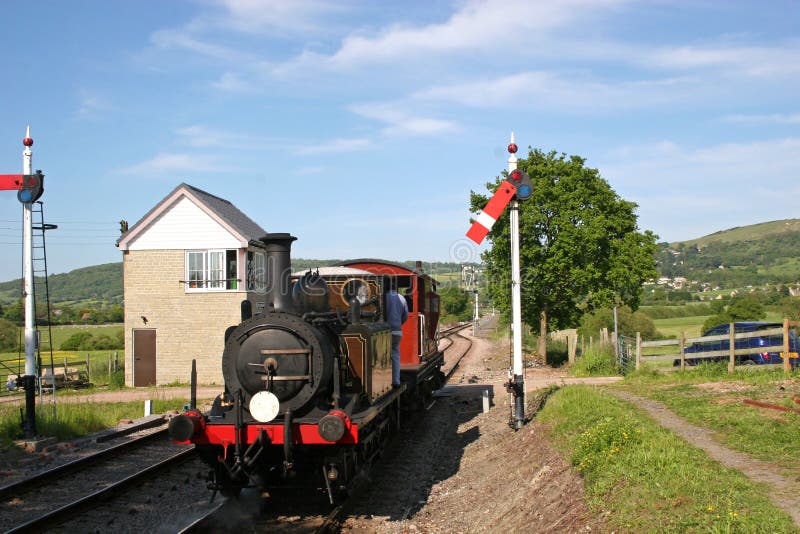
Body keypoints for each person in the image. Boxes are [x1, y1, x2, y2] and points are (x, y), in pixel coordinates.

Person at [384, 276, 408, 387]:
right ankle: (396, 381)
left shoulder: (382, 297)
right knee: (395, 355)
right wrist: (398, 324)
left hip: (383, 332)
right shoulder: (401, 298)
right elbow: (405, 316)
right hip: (397, 331)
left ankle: (383, 381)